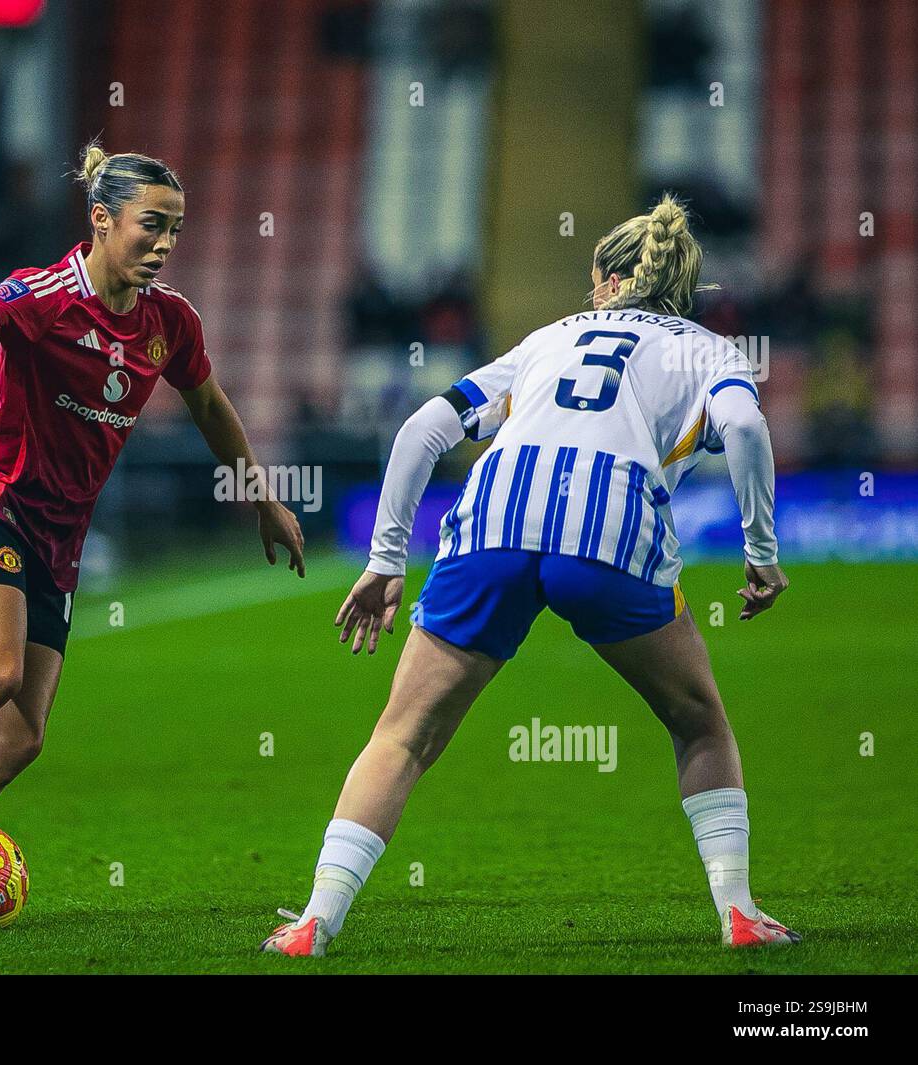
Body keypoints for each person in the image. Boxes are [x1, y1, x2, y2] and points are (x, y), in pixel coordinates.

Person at [262, 194, 800, 956]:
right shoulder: (710, 350)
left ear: (605, 278)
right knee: (699, 721)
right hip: (611, 529)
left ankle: (314, 921)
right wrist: (760, 548)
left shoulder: (549, 338)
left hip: (494, 519)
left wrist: (387, 559)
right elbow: (744, 426)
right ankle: (739, 911)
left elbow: (422, 429)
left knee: (405, 734)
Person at [0, 144, 306, 929]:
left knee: (15, 743)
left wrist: (262, 496)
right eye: (151, 225)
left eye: (175, 228)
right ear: (101, 221)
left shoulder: (170, 322)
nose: (166, 243)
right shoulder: (51, 293)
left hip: (57, 543)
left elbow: (208, 404)